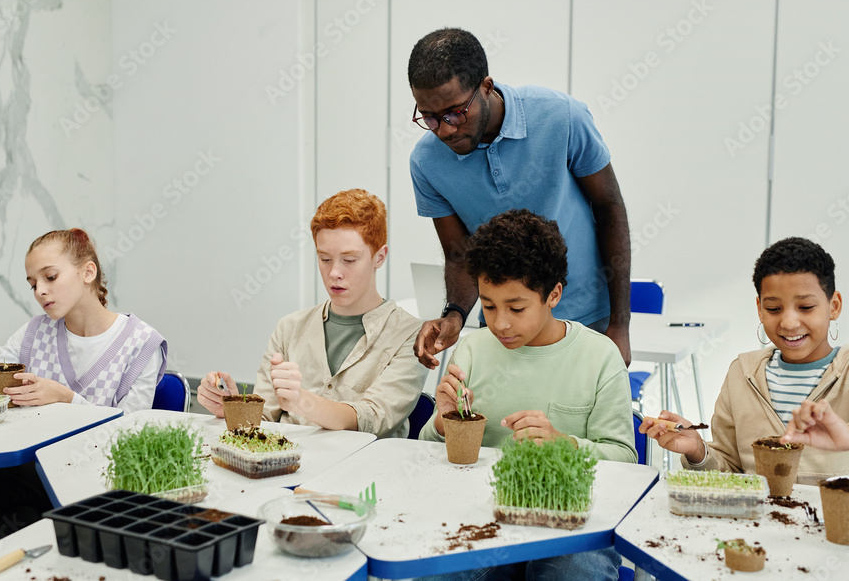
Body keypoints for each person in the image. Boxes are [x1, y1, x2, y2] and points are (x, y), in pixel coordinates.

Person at [419, 209, 634, 581]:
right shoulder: (472, 351)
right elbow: (427, 450)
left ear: (553, 295)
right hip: (482, 514)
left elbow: (624, 460)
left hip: (572, 524)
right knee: (436, 575)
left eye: (516, 308)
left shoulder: (599, 356)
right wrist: (443, 423)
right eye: (488, 306)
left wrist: (563, 443)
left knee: (575, 574)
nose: (499, 322)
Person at [407, 28, 632, 368]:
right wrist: (453, 315)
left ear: (486, 87)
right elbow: (460, 256)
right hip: (503, 330)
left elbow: (609, 208)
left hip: (588, 324)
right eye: (429, 117)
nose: (445, 129)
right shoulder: (426, 161)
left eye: (455, 113)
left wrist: (620, 325)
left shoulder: (562, 117)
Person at [0, 228, 167, 559]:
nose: (40, 291)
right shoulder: (34, 333)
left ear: (88, 272)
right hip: (39, 478)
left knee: (7, 503)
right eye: (33, 284)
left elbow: (131, 437)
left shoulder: (141, 344)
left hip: (101, 486)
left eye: (50, 277)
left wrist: (67, 398)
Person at [641, 237, 849, 484]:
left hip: (840, 521)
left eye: (806, 307)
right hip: (758, 521)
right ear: (759, 308)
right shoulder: (742, 373)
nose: (789, 322)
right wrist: (698, 452)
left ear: (834, 306)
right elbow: (729, 474)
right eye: (774, 309)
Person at [197, 189, 427, 438]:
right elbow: (262, 419)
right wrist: (230, 407)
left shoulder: (411, 336)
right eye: (325, 259)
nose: (334, 273)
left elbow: (372, 419)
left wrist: (302, 402)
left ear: (379, 257)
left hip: (365, 471)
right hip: (287, 467)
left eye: (349, 260)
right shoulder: (290, 327)